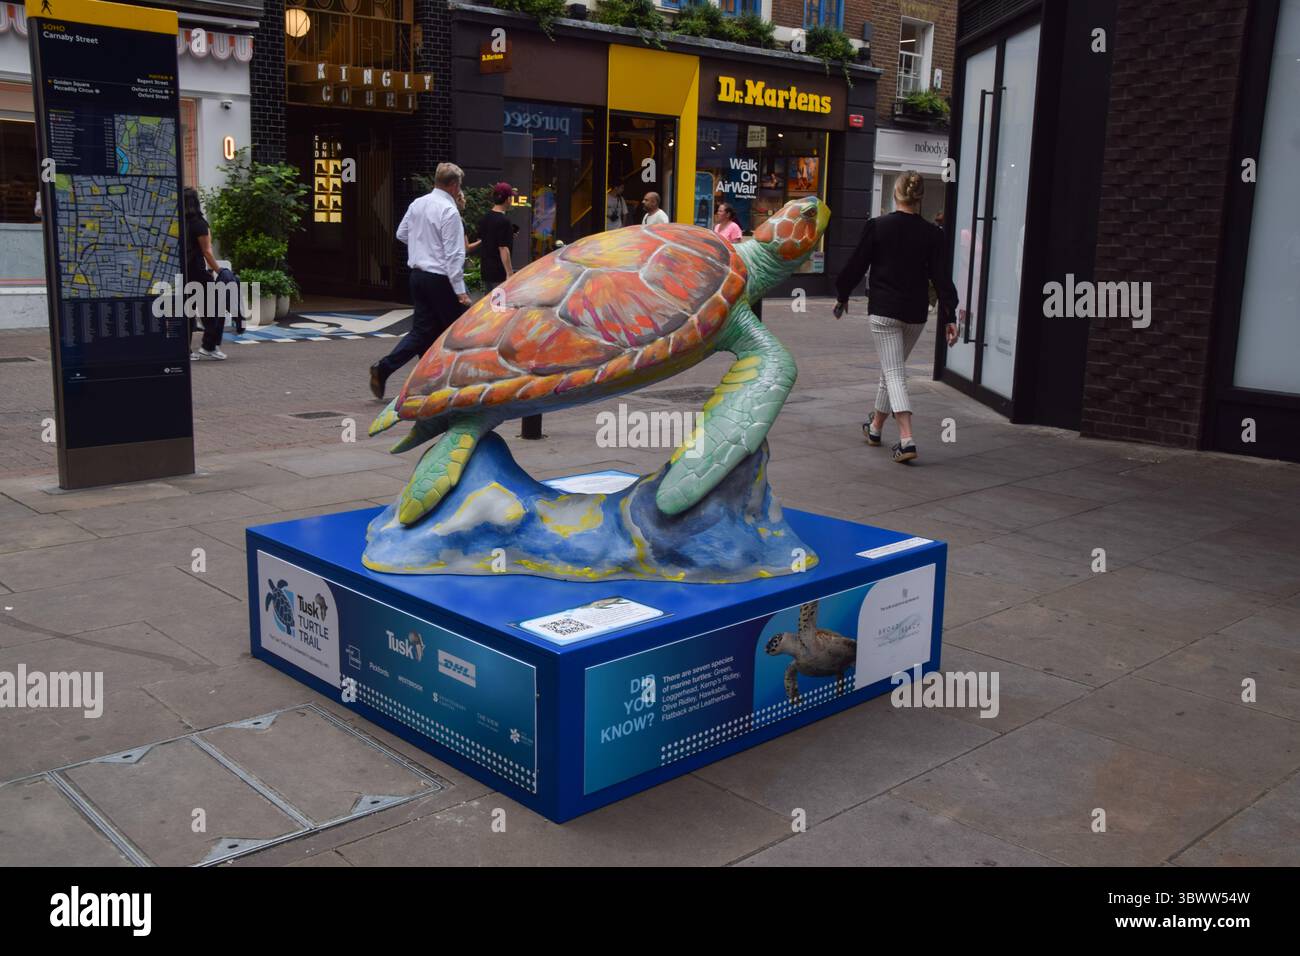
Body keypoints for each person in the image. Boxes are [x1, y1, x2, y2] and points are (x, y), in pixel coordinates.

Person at [833, 170, 960, 464]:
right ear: (920, 199)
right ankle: (875, 427)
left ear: (895, 194)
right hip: (916, 314)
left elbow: (855, 265)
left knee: (894, 373)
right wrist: (950, 315)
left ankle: (906, 439)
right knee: (892, 370)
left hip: (884, 312)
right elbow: (942, 278)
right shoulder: (933, 234)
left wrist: (842, 295)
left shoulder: (878, 226)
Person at [370, 163, 472, 400]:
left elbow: (401, 234)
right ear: (455, 185)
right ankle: (452, 381)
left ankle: (395, 371)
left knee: (424, 331)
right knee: (454, 331)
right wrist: (460, 291)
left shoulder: (418, 204)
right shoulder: (449, 211)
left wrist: (422, 248)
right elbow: (454, 255)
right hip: (440, 279)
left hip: (417, 276)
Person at [184, 187, 225, 361]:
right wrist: (220, 271)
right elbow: (207, 252)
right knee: (214, 309)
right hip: (198, 273)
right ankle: (209, 346)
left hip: (182, 273)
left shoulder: (177, 221)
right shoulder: (199, 224)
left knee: (186, 312)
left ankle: (185, 350)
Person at [477, 182, 515, 288]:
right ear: (508, 199)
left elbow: (483, 239)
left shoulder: (484, 218)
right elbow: (503, 248)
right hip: (499, 273)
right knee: (498, 304)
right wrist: (509, 273)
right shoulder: (504, 221)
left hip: (486, 271)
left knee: (489, 302)